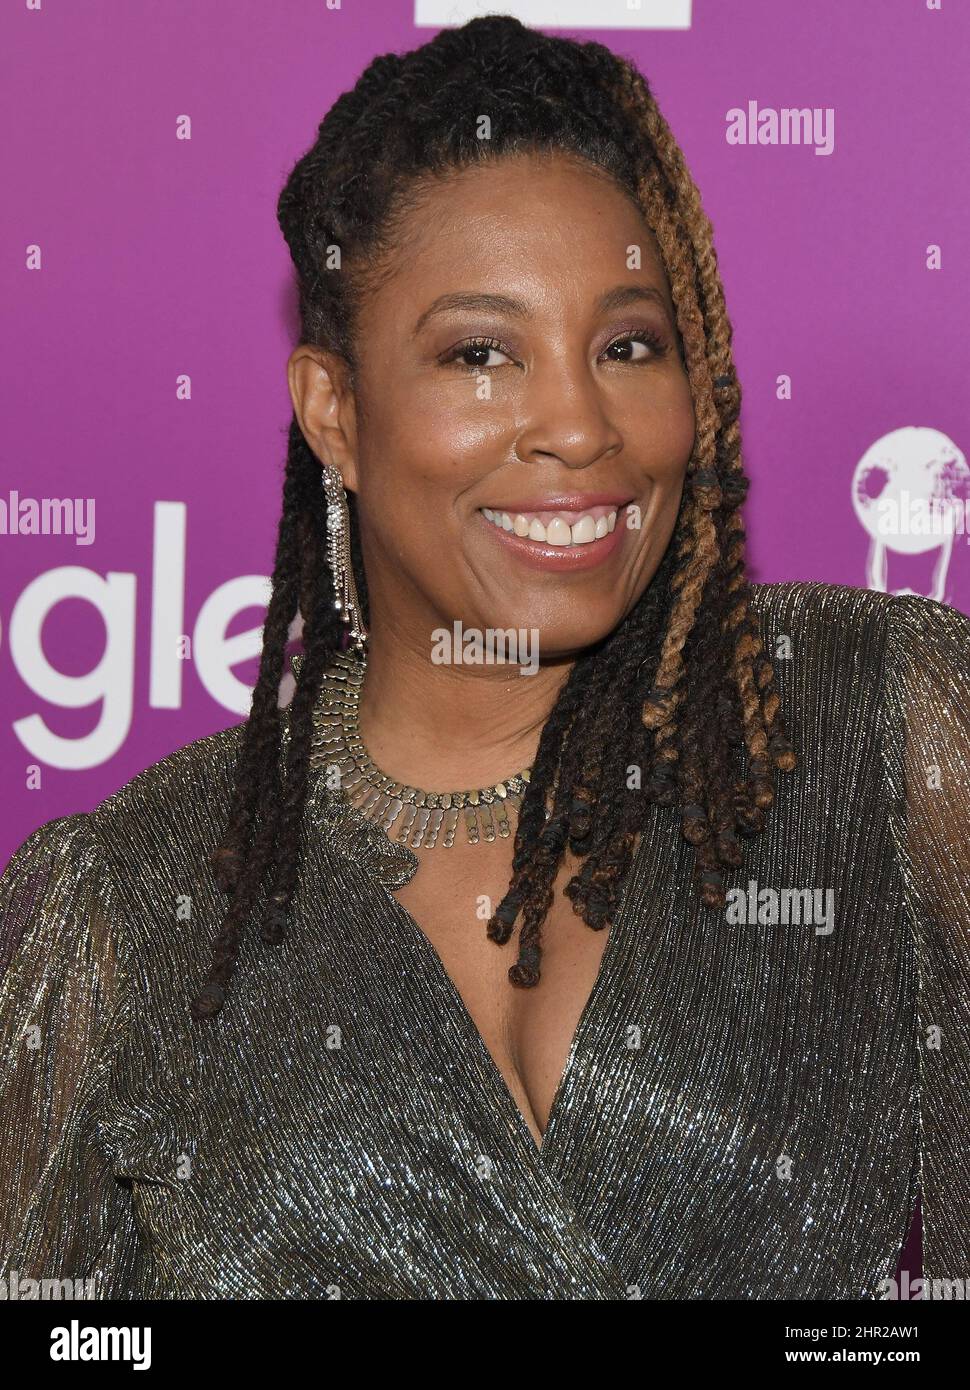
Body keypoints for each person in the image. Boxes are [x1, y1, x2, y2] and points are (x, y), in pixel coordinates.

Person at [1, 14, 967, 1301]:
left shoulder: (878, 731)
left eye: (629, 344)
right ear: (334, 412)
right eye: (480, 354)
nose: (578, 424)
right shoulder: (134, 903)